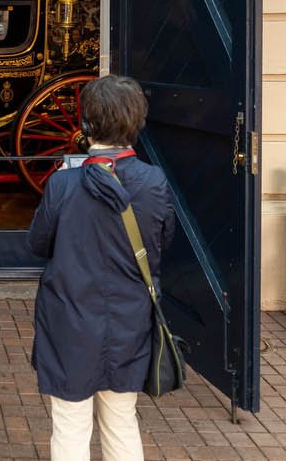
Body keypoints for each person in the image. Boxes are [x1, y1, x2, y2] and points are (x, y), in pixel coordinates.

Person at [27, 75, 176, 461]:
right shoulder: (154, 181)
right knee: (122, 421)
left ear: (87, 124)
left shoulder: (62, 185)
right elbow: (162, 244)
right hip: (129, 318)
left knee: (70, 425)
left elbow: (37, 244)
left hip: (70, 318)